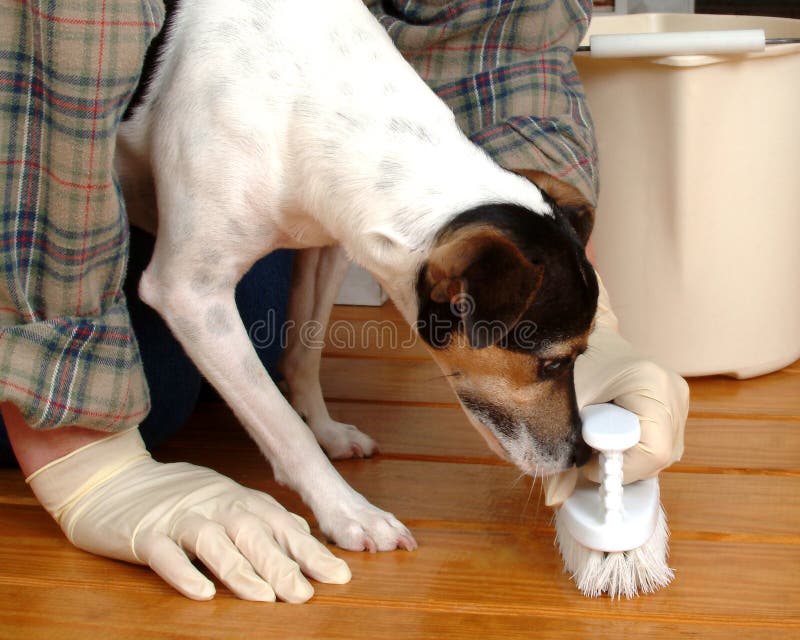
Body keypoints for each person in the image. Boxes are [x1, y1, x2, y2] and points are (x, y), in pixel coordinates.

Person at [0, 0, 688, 602]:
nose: (555, 416)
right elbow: (181, 287)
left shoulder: (375, 135)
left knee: (263, 331)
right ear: (458, 291)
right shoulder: (251, 142)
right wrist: (315, 481)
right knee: (157, 398)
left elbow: (342, 231)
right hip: (42, 142)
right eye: (547, 369)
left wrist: (587, 321)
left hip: (236, 130)